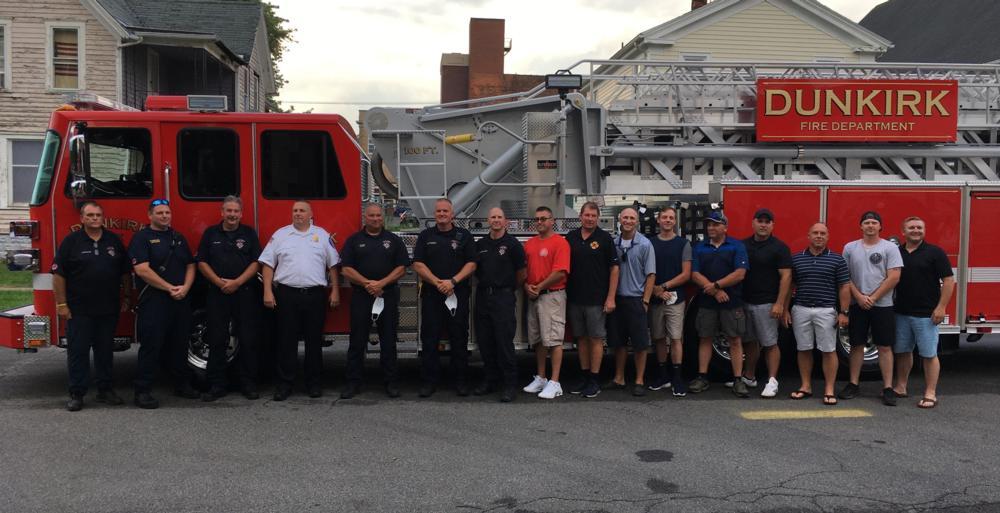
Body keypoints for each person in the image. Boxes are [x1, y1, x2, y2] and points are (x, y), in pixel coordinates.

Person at [259, 200, 341, 401]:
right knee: (286, 342)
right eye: (295, 210)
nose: (298, 213)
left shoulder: (322, 235)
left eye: (302, 210)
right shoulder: (280, 235)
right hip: (286, 295)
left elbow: (333, 265)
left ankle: (314, 384)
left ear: (310, 214)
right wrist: (267, 291)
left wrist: (335, 290)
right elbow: (268, 265)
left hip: (314, 295)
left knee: (314, 342)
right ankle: (285, 385)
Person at [52, 201, 130, 411]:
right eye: (90, 215)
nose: (95, 219)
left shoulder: (113, 240)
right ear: (82, 218)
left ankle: (105, 390)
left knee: (105, 351)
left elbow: (125, 273)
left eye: (98, 215)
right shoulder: (71, 242)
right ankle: (77, 393)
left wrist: (128, 297)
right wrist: (61, 304)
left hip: (108, 308)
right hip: (79, 309)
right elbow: (58, 275)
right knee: (78, 351)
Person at [129, 198, 197, 409]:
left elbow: (190, 265)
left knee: (179, 344)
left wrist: (185, 287)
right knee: (151, 346)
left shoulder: (178, 237)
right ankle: (142, 391)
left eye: (167, 212)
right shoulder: (142, 238)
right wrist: (169, 287)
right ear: (150, 215)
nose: (165, 216)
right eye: (159, 213)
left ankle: (181, 385)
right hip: (155, 300)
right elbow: (142, 270)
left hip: (180, 299)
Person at [339, 203, 409, 399]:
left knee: (388, 341)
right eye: (372, 216)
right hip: (362, 295)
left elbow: (402, 268)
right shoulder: (354, 241)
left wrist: (381, 283)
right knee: (357, 341)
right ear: (365, 217)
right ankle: (353, 383)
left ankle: (391, 383)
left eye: (378, 215)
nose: (376, 219)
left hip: (387, 295)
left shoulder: (393, 240)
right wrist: (367, 283)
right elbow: (346, 269)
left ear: (382, 218)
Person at [196, 196, 262, 401]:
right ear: (221, 212)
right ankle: (217, 384)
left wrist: (237, 282)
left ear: (241, 214)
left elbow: (256, 263)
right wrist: (219, 282)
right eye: (228, 211)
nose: (232, 214)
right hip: (218, 293)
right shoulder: (210, 234)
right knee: (217, 338)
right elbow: (202, 262)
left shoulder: (249, 233)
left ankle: (247, 383)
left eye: (236, 211)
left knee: (247, 338)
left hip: (244, 293)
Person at [412, 198, 477, 398]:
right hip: (432, 295)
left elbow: (472, 263)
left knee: (459, 338)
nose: (441, 214)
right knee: (429, 339)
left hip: (456, 294)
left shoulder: (464, 236)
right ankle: (429, 382)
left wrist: (453, 282)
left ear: (452, 214)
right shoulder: (425, 236)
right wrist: (438, 282)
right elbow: (417, 264)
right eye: (438, 211)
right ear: (434, 215)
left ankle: (460, 382)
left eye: (445, 211)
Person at [840, 211, 903, 406]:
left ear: (880, 227)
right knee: (856, 345)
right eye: (866, 222)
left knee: (884, 346)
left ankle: (887, 388)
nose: (870, 226)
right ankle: (853, 384)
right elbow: (844, 275)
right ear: (861, 226)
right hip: (857, 304)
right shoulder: (850, 247)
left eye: (874, 222)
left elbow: (894, 277)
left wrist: (873, 298)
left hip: (883, 305)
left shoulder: (890, 248)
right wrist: (859, 296)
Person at [784, 223, 850, 406]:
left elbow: (844, 287)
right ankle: (805, 386)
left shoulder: (837, 260)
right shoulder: (796, 259)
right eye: (815, 233)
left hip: (826, 310)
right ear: (808, 236)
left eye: (822, 233)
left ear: (828, 237)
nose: (819, 236)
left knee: (829, 350)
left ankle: (829, 389)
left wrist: (844, 312)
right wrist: (785, 309)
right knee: (803, 349)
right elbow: (790, 286)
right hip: (801, 309)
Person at [893, 217, 955, 409]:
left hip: (926, 314)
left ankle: (930, 392)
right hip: (901, 312)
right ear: (903, 231)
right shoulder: (896, 252)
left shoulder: (935, 252)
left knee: (929, 354)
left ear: (924, 231)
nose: (916, 230)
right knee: (903, 352)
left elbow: (949, 280)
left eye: (919, 227)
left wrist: (941, 307)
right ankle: (901, 387)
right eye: (911, 227)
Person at [689, 211, 749, 397]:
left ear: (725, 227)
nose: (711, 228)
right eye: (709, 224)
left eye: (715, 224)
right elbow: (694, 274)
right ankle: (702, 377)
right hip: (708, 302)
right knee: (705, 338)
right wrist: (716, 291)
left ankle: (738, 380)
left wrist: (717, 285)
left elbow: (740, 273)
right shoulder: (700, 248)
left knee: (735, 340)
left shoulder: (736, 246)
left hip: (732, 302)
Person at [564, 201, 619, 399]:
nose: (589, 219)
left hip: (597, 299)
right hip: (575, 298)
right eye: (586, 215)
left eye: (593, 216)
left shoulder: (604, 239)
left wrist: (611, 297)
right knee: (581, 338)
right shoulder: (571, 238)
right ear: (580, 216)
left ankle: (594, 379)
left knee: (595, 338)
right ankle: (584, 375)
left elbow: (614, 269)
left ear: (597, 218)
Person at [473, 207, 526, 403]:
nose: (496, 220)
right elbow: (477, 271)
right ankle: (490, 380)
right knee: (485, 343)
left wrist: (507, 289)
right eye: (493, 217)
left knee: (504, 343)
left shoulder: (513, 245)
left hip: (503, 297)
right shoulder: (481, 244)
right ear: (488, 220)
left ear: (506, 221)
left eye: (499, 217)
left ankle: (510, 385)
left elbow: (522, 273)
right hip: (483, 297)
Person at [740, 208, 792, 398]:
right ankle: (749, 376)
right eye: (760, 221)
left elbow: (786, 277)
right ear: (753, 223)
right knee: (750, 342)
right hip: (745, 301)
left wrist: (779, 304)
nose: (763, 225)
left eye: (767, 222)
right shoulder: (743, 245)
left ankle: (772, 381)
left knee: (770, 343)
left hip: (767, 304)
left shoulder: (779, 247)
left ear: (772, 225)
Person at [521, 206, 571, 400]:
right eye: (537, 219)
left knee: (554, 340)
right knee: (539, 339)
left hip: (552, 295)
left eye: (544, 219)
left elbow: (560, 272)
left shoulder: (560, 243)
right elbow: (524, 270)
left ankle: (555, 382)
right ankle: (541, 377)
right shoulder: (530, 244)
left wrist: (538, 287)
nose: (540, 222)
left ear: (552, 221)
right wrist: (526, 286)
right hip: (534, 295)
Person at [606, 207, 657, 397]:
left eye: (632, 218)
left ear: (637, 222)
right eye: (625, 217)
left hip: (636, 300)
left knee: (640, 344)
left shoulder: (645, 245)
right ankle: (619, 378)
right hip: (617, 299)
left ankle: (639, 380)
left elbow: (651, 275)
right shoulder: (614, 244)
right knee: (618, 343)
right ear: (619, 220)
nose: (628, 221)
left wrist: (645, 300)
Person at [647, 207, 691, 397]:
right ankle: (663, 376)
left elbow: (686, 274)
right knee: (658, 338)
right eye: (664, 217)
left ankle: (677, 378)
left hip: (675, 299)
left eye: (671, 218)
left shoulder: (683, 244)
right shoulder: (649, 243)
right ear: (658, 220)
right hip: (655, 299)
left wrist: (662, 287)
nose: (667, 220)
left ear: (675, 221)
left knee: (675, 338)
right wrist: (655, 291)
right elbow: (645, 270)